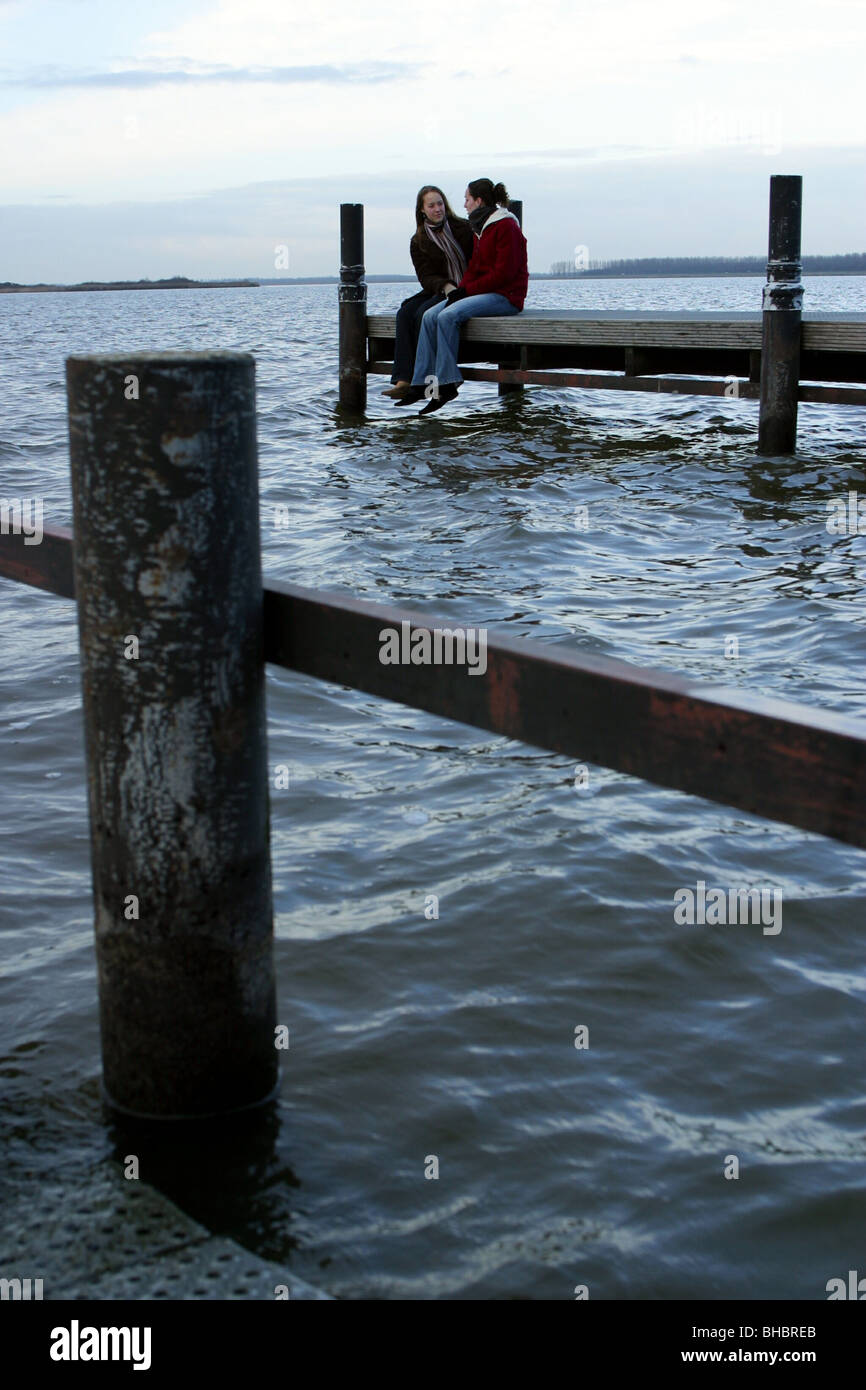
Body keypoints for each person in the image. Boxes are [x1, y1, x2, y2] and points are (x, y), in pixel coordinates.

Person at [395, 179, 528, 415]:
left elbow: (503, 274)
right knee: (428, 316)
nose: (464, 205)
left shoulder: (505, 227)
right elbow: (474, 269)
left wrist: (467, 291)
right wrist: (459, 291)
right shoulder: (481, 228)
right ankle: (424, 385)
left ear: (479, 201)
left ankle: (447, 384)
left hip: (505, 296)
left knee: (447, 316)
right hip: (483, 292)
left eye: (467, 199)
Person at [382, 186, 474, 400]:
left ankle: (426, 382)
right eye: (431, 206)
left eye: (440, 204)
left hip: (465, 288)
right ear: (422, 210)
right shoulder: (419, 240)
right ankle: (403, 380)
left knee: (424, 314)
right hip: (439, 287)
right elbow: (425, 275)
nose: (437, 209)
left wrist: (457, 288)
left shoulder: (463, 228)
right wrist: (445, 286)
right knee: (404, 313)